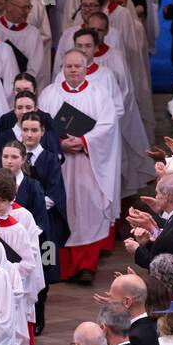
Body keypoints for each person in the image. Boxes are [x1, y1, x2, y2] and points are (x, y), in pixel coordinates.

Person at [37, 51, 121, 282]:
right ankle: (57, 267)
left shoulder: (99, 94)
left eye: (77, 66)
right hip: (59, 164)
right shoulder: (49, 94)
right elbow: (39, 126)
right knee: (59, 210)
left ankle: (86, 267)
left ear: (86, 68)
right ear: (62, 68)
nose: (73, 70)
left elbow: (108, 125)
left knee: (87, 211)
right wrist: (59, 144)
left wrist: (84, 141)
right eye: (69, 66)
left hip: (88, 163)